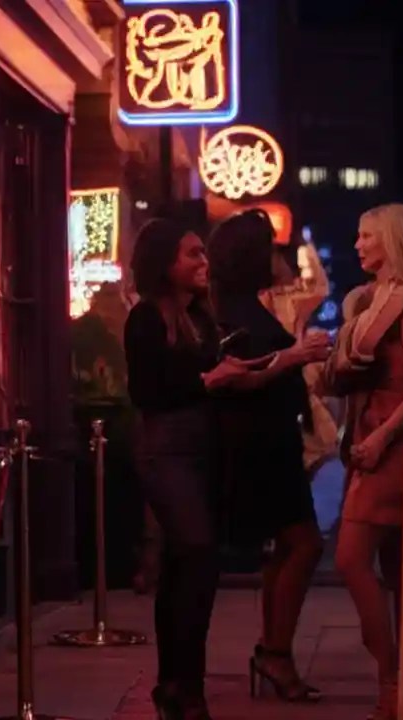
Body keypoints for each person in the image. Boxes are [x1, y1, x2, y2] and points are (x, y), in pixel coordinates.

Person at [124, 219, 250, 720]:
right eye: (193, 255)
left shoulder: (200, 315)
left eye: (204, 255)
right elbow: (147, 392)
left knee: (189, 565)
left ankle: (179, 683)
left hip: (202, 450)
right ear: (165, 262)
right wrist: (209, 378)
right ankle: (181, 687)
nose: (204, 263)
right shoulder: (146, 318)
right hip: (167, 451)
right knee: (195, 555)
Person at [206, 210, 330, 703]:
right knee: (304, 544)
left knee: (292, 545)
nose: (280, 259)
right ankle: (275, 653)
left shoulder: (242, 306)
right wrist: (295, 357)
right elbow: (244, 375)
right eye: (271, 250)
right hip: (261, 446)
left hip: (272, 442)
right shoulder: (236, 312)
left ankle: (274, 651)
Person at [326, 203, 403, 720]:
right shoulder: (369, 302)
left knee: (351, 558)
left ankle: (394, 680)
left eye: (366, 236)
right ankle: (396, 689)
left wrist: (383, 438)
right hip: (370, 444)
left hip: (391, 450)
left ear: (391, 240)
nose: (357, 245)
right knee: (395, 571)